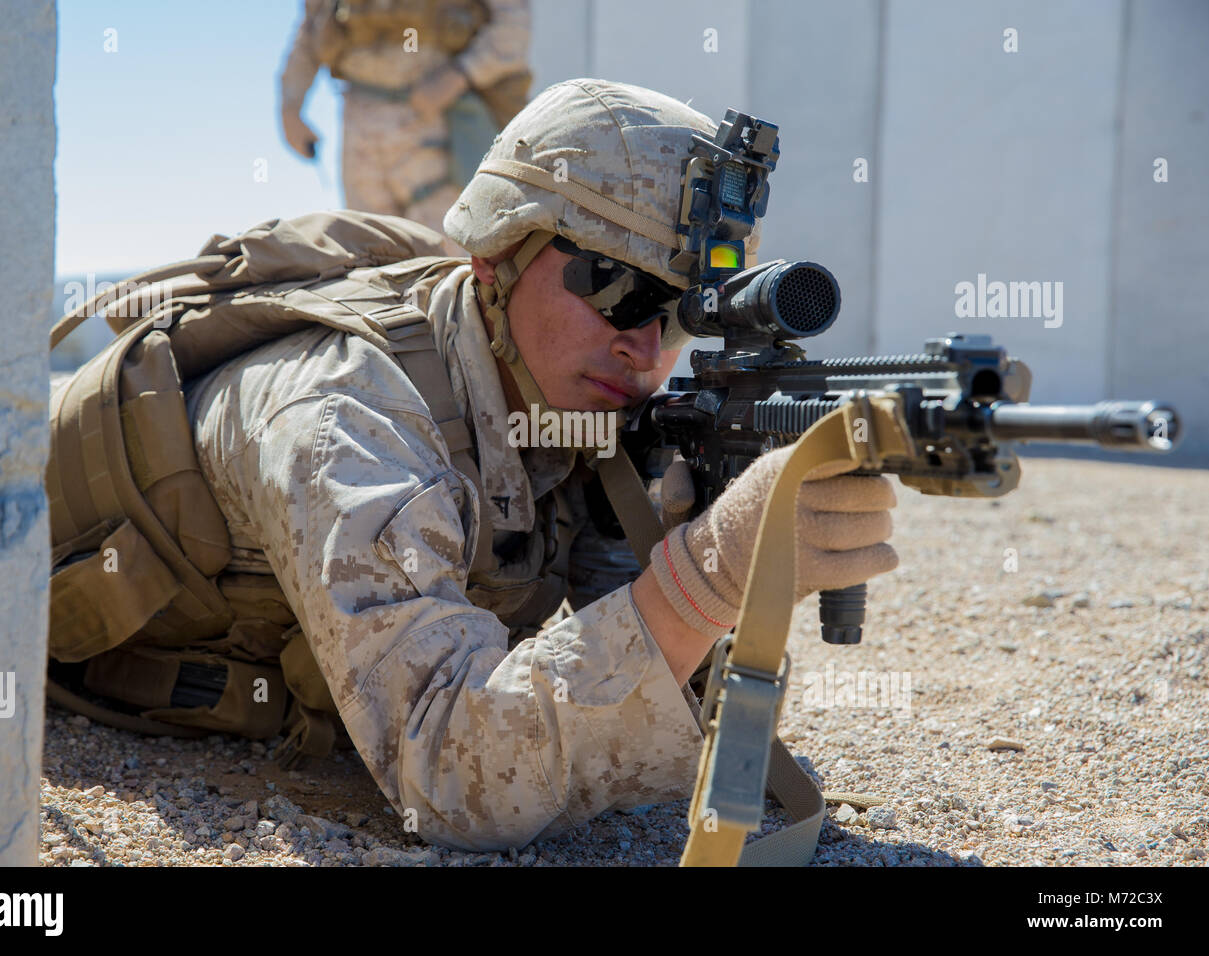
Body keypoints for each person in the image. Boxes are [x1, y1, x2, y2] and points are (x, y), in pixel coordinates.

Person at [176, 78, 900, 851]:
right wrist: (704, 578)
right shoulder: (348, 414)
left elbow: (666, 717)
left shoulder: (568, 399)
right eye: (618, 289)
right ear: (497, 254)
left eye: (677, 313)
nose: (647, 349)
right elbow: (448, 780)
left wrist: (699, 553)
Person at [279, 0, 530, 249]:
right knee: (368, 253)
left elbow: (513, 24)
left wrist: (461, 75)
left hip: (435, 121)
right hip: (360, 127)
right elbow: (311, 27)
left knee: (445, 255)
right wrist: (290, 105)